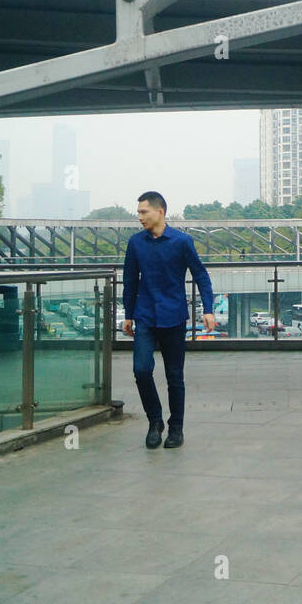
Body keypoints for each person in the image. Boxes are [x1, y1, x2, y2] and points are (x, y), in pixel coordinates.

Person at [122, 191, 215, 450]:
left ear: (160, 211)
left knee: (174, 376)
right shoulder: (135, 243)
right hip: (145, 317)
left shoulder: (182, 242)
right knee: (141, 370)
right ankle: (155, 422)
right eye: (138, 212)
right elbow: (130, 280)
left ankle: (176, 428)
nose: (139, 217)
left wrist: (208, 309)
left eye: (143, 212)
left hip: (173, 317)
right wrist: (128, 314)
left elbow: (201, 275)